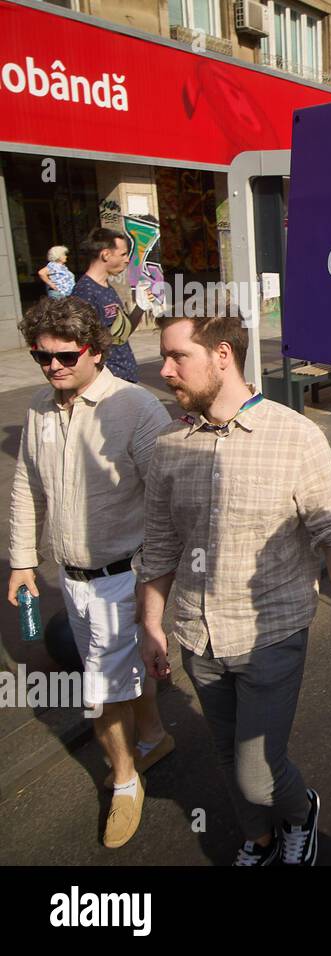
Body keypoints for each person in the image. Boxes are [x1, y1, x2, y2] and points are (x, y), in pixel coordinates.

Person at [138, 312, 331, 866]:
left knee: (259, 773)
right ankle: (259, 839)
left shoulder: (295, 436)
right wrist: (149, 623)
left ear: (221, 355)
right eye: (163, 358)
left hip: (271, 634)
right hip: (198, 634)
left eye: (177, 357)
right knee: (224, 751)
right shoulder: (169, 445)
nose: (164, 370)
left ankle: (300, 812)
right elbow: (161, 544)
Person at [7, 297, 174, 849]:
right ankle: (152, 736)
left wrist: (164, 581)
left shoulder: (137, 408)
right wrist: (24, 561)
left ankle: (125, 782)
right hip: (72, 576)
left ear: (96, 350)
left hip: (126, 577)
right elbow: (26, 487)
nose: (52, 367)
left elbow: (168, 501)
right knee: (123, 674)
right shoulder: (38, 407)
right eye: (40, 356)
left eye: (64, 356)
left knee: (100, 690)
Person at [71, 228, 154, 384]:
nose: (127, 259)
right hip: (108, 378)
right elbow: (84, 342)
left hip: (123, 375)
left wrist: (140, 307)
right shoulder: (84, 292)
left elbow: (122, 332)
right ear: (106, 255)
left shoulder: (106, 286)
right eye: (123, 254)